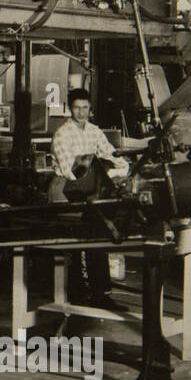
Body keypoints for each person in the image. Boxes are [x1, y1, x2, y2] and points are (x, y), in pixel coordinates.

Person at [49, 87, 130, 304]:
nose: (82, 112)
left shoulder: (94, 131)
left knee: (98, 237)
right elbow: (70, 171)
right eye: (77, 108)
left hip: (91, 190)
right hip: (67, 191)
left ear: (90, 109)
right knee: (77, 243)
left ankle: (100, 293)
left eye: (85, 108)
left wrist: (125, 167)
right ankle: (78, 293)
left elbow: (109, 152)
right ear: (70, 109)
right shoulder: (62, 134)